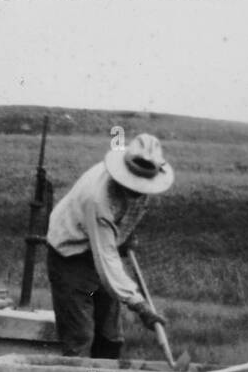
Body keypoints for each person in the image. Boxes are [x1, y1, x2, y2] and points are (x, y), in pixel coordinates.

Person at [45, 132, 171, 359]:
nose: (139, 190)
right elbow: (107, 259)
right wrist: (141, 307)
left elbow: (127, 219)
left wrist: (125, 236)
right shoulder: (98, 199)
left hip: (101, 247)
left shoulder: (144, 182)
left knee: (110, 337)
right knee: (80, 337)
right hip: (71, 256)